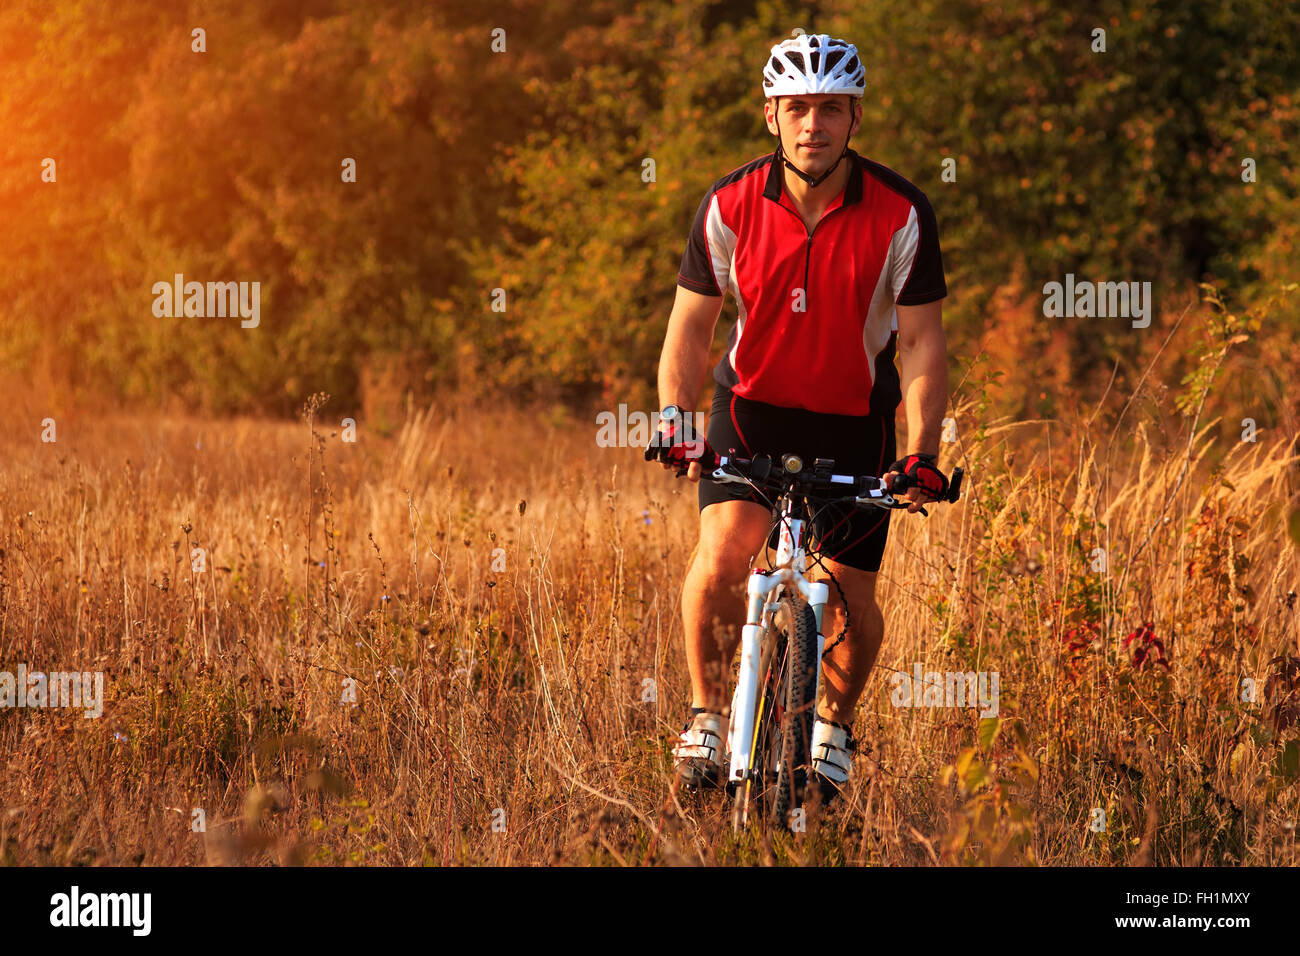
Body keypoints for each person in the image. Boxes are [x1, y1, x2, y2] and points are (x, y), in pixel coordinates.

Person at [646, 34, 952, 803]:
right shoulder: (729, 204)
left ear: (854, 119)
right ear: (770, 117)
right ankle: (707, 717)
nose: (812, 124)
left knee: (846, 594)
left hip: (856, 422)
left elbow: (919, 345)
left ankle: (832, 733)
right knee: (722, 558)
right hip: (752, 412)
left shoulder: (903, 212)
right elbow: (690, 328)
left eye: (829, 109)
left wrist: (922, 452)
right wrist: (678, 423)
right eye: (797, 109)